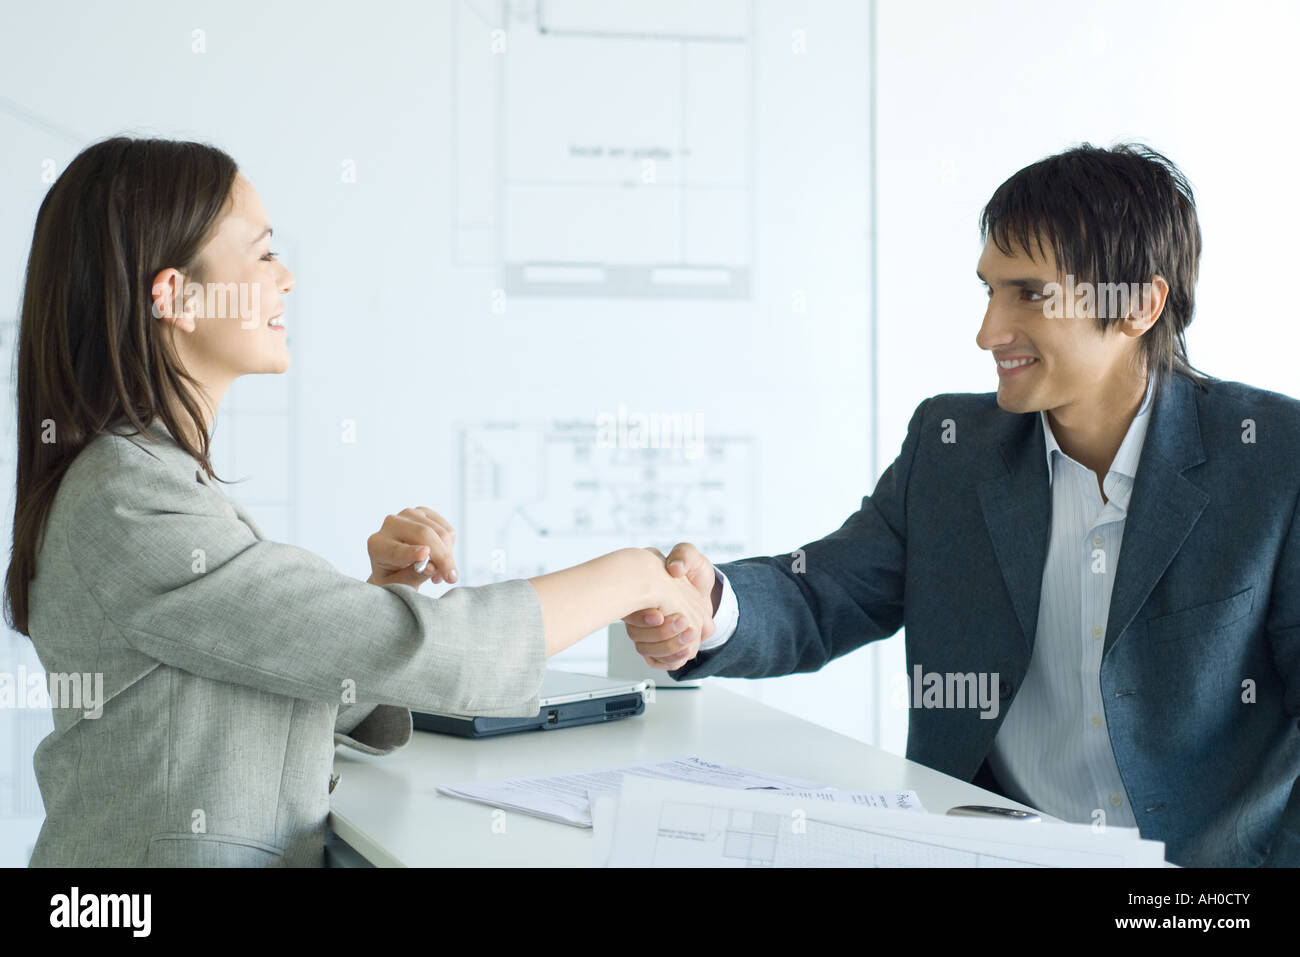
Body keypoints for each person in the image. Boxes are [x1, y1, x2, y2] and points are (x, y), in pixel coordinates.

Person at [5, 136, 712, 867]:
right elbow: (441, 650)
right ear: (178, 297)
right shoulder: (129, 497)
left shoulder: (145, 477)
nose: (287, 279)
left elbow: (233, 695)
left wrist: (372, 606)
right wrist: (633, 575)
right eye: (263, 253)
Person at [623, 143, 1300, 868]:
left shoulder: (1273, 458)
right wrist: (713, 604)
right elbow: (826, 589)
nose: (988, 333)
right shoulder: (951, 448)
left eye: (1029, 294)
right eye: (989, 291)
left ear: (1138, 305)